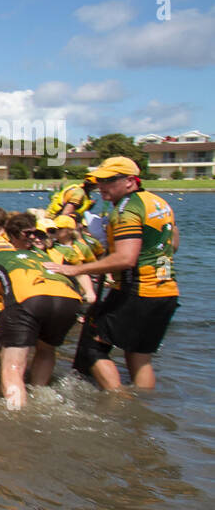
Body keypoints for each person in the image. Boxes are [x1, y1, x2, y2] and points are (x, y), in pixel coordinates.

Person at [46, 157, 179, 392]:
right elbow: (173, 243)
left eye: (109, 180)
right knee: (139, 355)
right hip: (165, 290)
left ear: (130, 181)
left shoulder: (126, 209)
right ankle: (140, 413)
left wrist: (75, 269)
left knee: (93, 347)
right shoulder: (160, 203)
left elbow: (126, 259)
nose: (101, 186)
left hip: (137, 291)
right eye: (99, 181)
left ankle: (117, 400)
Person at [0, 213, 82, 410]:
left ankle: (17, 416)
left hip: (29, 301)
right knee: (45, 349)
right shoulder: (40, 254)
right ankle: (40, 395)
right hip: (69, 301)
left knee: (13, 367)